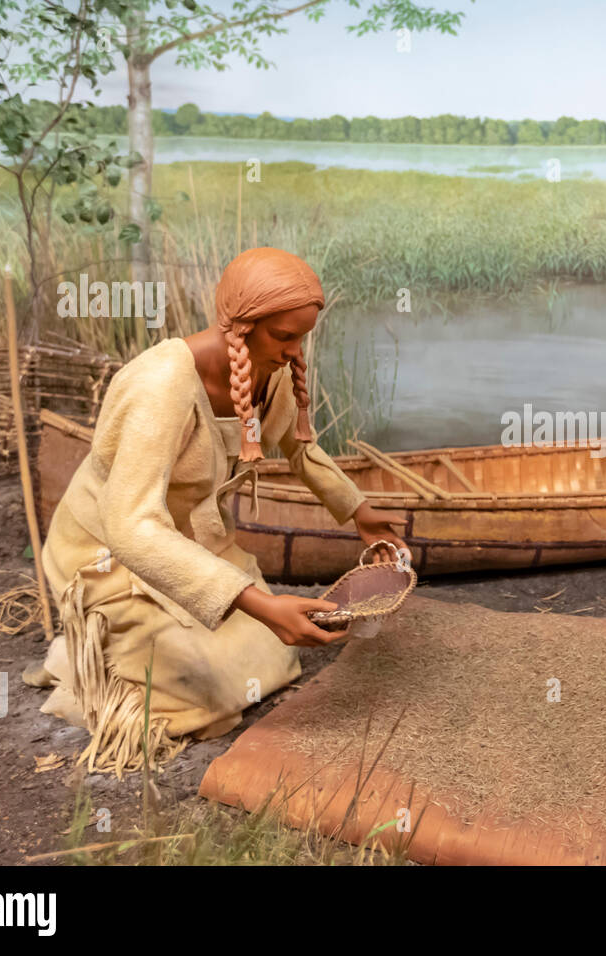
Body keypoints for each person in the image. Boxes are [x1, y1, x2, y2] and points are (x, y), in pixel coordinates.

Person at [25, 247, 409, 777]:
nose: (294, 352)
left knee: (274, 660)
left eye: (303, 337)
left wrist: (357, 509)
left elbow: (300, 448)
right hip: (113, 551)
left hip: (192, 545)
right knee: (203, 694)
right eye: (283, 337)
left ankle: (153, 643)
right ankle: (89, 654)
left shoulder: (270, 372)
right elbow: (131, 525)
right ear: (243, 325)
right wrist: (259, 604)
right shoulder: (160, 386)